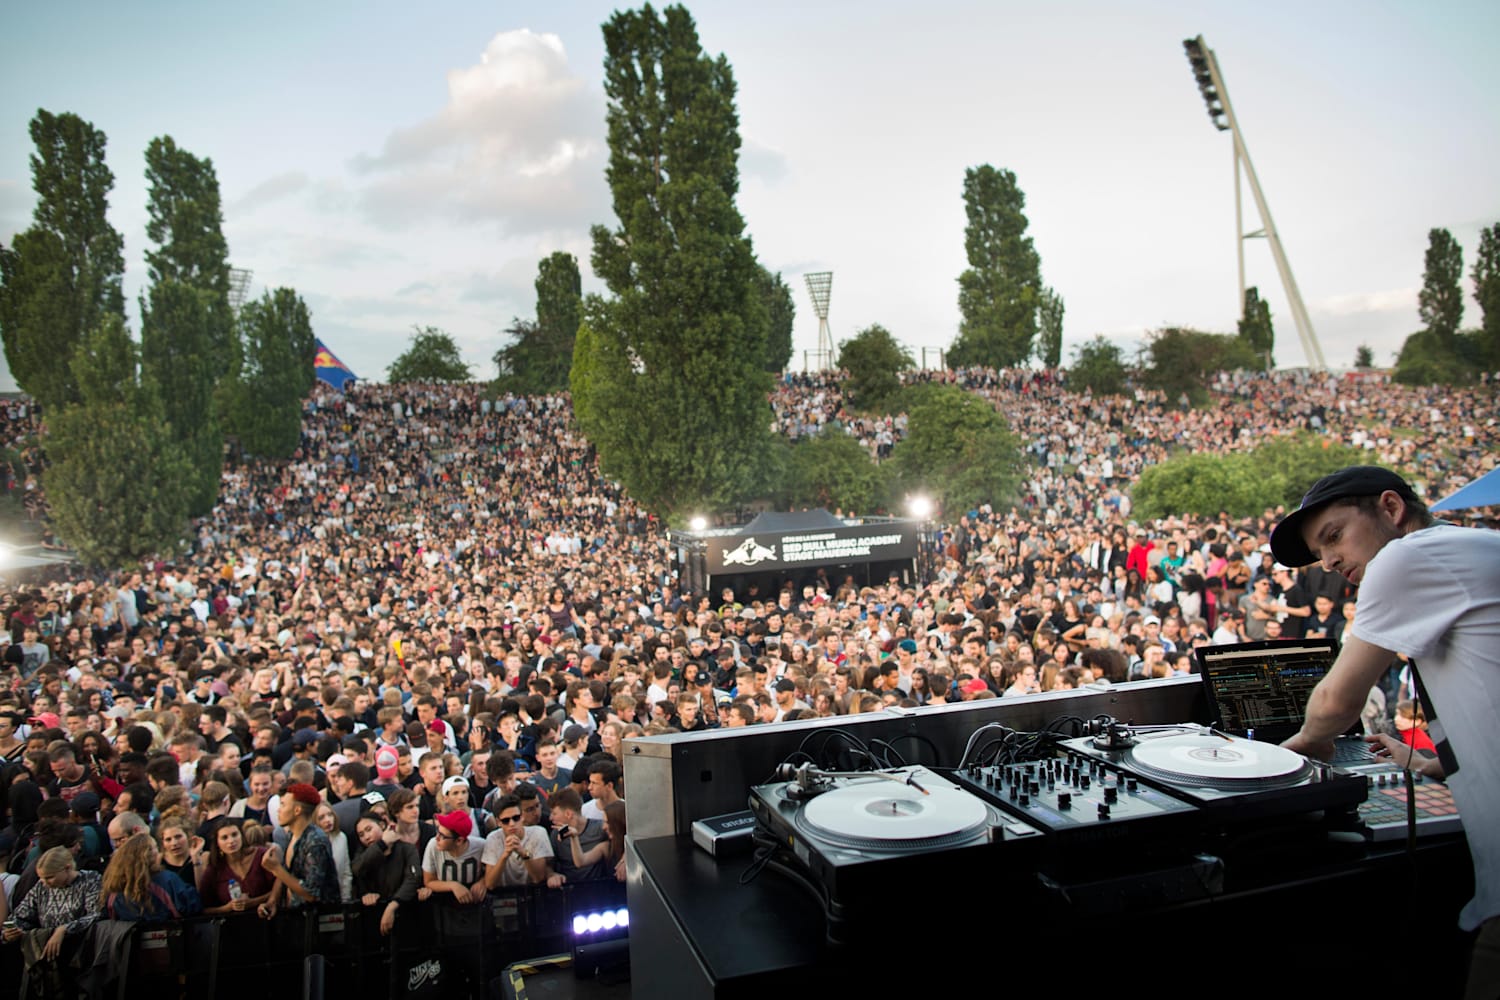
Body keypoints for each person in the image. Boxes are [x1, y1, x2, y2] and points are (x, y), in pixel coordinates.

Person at [1271, 466, 1500, 993]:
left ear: (1391, 510)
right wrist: (1429, 764)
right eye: (1319, 552)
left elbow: (1334, 705)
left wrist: (1300, 750)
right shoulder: (1464, 548)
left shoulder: (1406, 554)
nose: (1328, 561)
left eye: (1333, 536)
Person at [4, 846, 101, 964]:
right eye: (41, 878)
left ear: (67, 868)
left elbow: (96, 914)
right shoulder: (41, 886)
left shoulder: (91, 880)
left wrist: (64, 929)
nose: (44, 883)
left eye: (49, 877)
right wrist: (11, 930)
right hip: (47, 954)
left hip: (80, 952)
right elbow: (20, 914)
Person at [99, 833, 202, 922]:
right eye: (155, 847)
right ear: (149, 854)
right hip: (171, 937)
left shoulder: (113, 889)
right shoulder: (167, 880)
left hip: (127, 941)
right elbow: (193, 906)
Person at [197, 818, 276, 916]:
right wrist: (226, 908)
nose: (231, 841)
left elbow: (279, 887)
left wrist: (253, 902)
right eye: (224, 838)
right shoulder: (215, 868)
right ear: (217, 843)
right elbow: (203, 908)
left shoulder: (261, 855)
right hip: (232, 925)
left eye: (234, 835)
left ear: (242, 836)